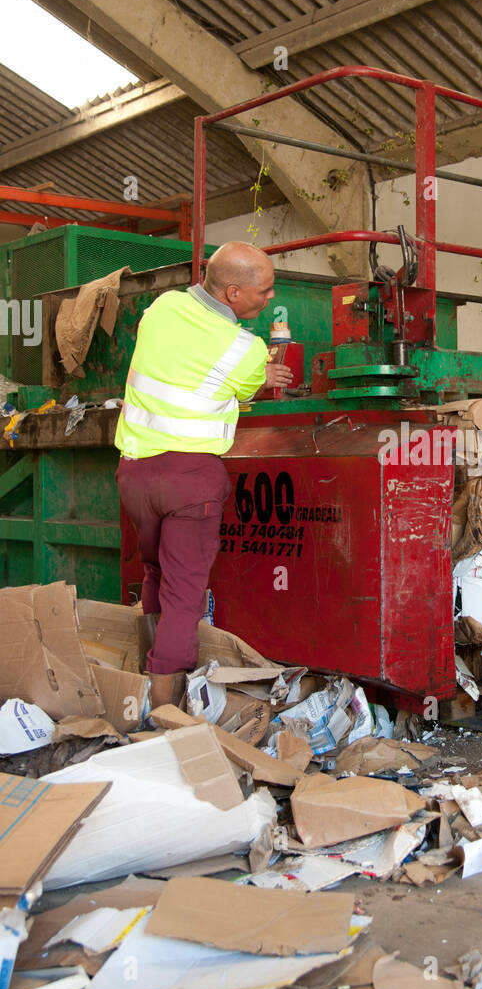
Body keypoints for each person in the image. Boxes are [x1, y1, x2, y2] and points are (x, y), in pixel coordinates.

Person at [114, 241, 293, 708]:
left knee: (154, 571)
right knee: (185, 597)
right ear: (233, 293)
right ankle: (164, 704)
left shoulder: (160, 308)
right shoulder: (245, 348)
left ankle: (139, 678)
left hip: (134, 475)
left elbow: (187, 376)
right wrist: (265, 375)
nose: (269, 299)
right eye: (264, 291)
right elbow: (251, 387)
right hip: (188, 480)